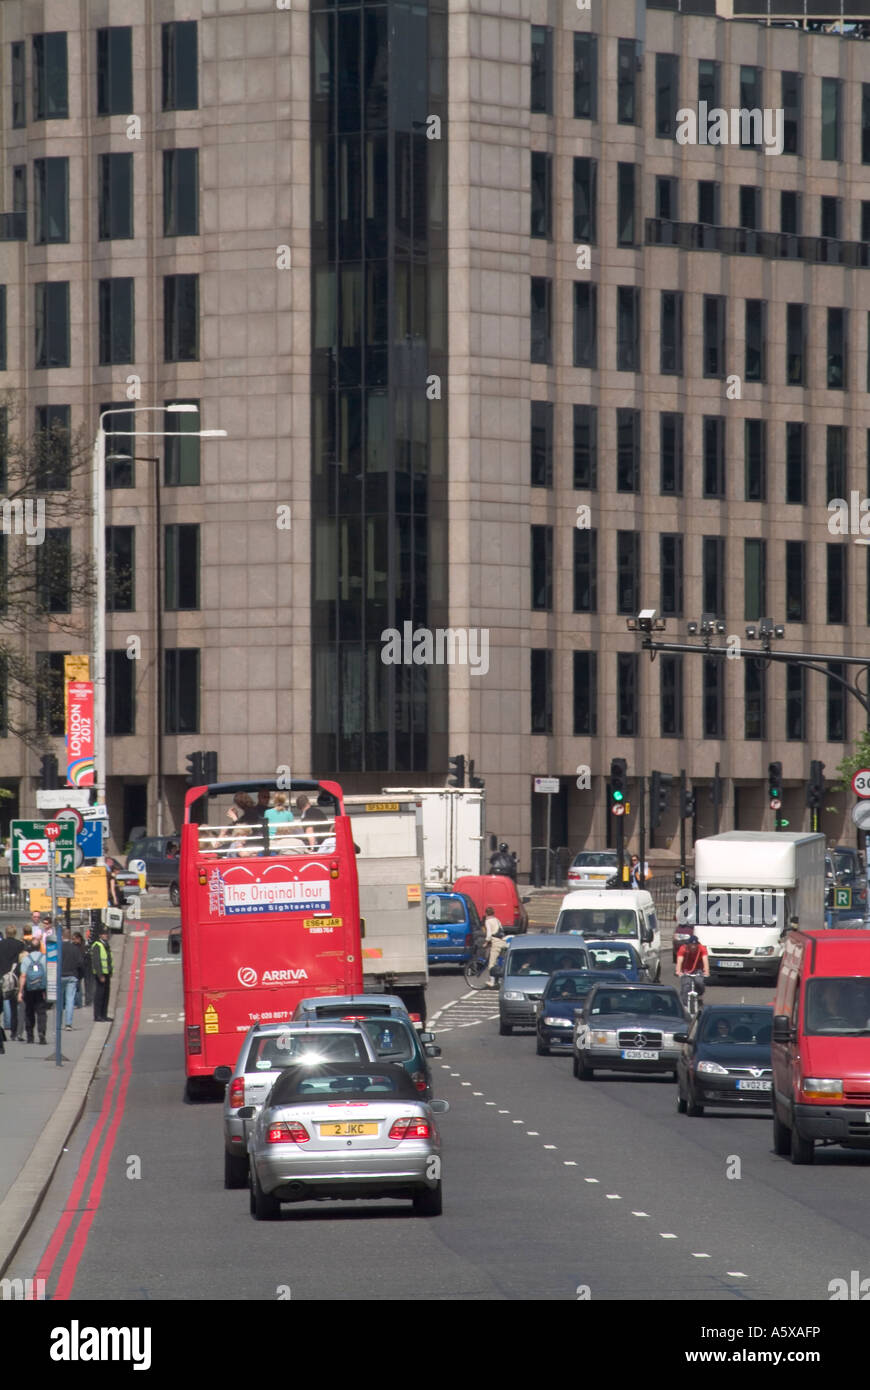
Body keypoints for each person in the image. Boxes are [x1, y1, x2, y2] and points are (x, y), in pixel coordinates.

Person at [18, 940, 48, 1044]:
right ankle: (42, 1032)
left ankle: (30, 1035)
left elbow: (23, 976)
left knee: (29, 1012)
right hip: (41, 989)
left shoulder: (26, 959)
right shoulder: (44, 958)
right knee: (41, 1012)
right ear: (40, 947)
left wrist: (20, 991)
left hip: (29, 989)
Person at [0, 925, 22, 1040]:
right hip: (14, 976)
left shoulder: (1, 944)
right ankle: (14, 1031)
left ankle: (3, 1030)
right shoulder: (20, 945)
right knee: (14, 1005)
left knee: (2, 1001)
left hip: (1, 975)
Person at [675, 933, 710, 1006]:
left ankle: (699, 996)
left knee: (699, 981)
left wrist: (706, 971)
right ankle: (684, 1005)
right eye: (692, 945)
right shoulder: (683, 948)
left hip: (698, 969)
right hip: (686, 969)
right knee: (686, 985)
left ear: (697, 944)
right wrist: (678, 971)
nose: (693, 947)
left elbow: (705, 960)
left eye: (695, 945)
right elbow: (679, 961)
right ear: (688, 944)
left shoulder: (702, 948)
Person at [60, 928, 84, 1031]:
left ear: (62, 936)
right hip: (72, 975)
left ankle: (59, 1023)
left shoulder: (58, 947)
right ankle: (68, 1024)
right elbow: (80, 962)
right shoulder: (75, 948)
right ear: (70, 937)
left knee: (60, 1000)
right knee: (70, 1000)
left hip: (60, 976)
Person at [91, 925, 114, 1023]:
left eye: (107, 934)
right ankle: (98, 1015)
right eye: (104, 934)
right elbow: (96, 961)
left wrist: (110, 971)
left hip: (107, 973)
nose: (106, 935)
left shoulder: (106, 944)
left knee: (106, 995)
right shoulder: (97, 945)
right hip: (101, 975)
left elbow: (108, 959)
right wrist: (100, 975)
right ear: (100, 935)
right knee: (99, 995)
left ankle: (104, 1015)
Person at [481, 905, 506, 986]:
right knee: (500, 962)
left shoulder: (488, 921)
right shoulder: (497, 920)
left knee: (491, 963)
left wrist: (486, 942)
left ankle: (492, 981)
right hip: (503, 942)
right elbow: (501, 929)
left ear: (486, 913)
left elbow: (489, 934)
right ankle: (499, 981)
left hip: (496, 943)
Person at [73, 930, 92, 1007]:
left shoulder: (85, 946)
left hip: (85, 967)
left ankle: (88, 1000)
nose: (73, 941)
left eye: (74, 939)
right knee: (78, 986)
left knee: (87, 984)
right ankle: (79, 1002)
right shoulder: (73, 945)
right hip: (78, 968)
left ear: (79, 938)